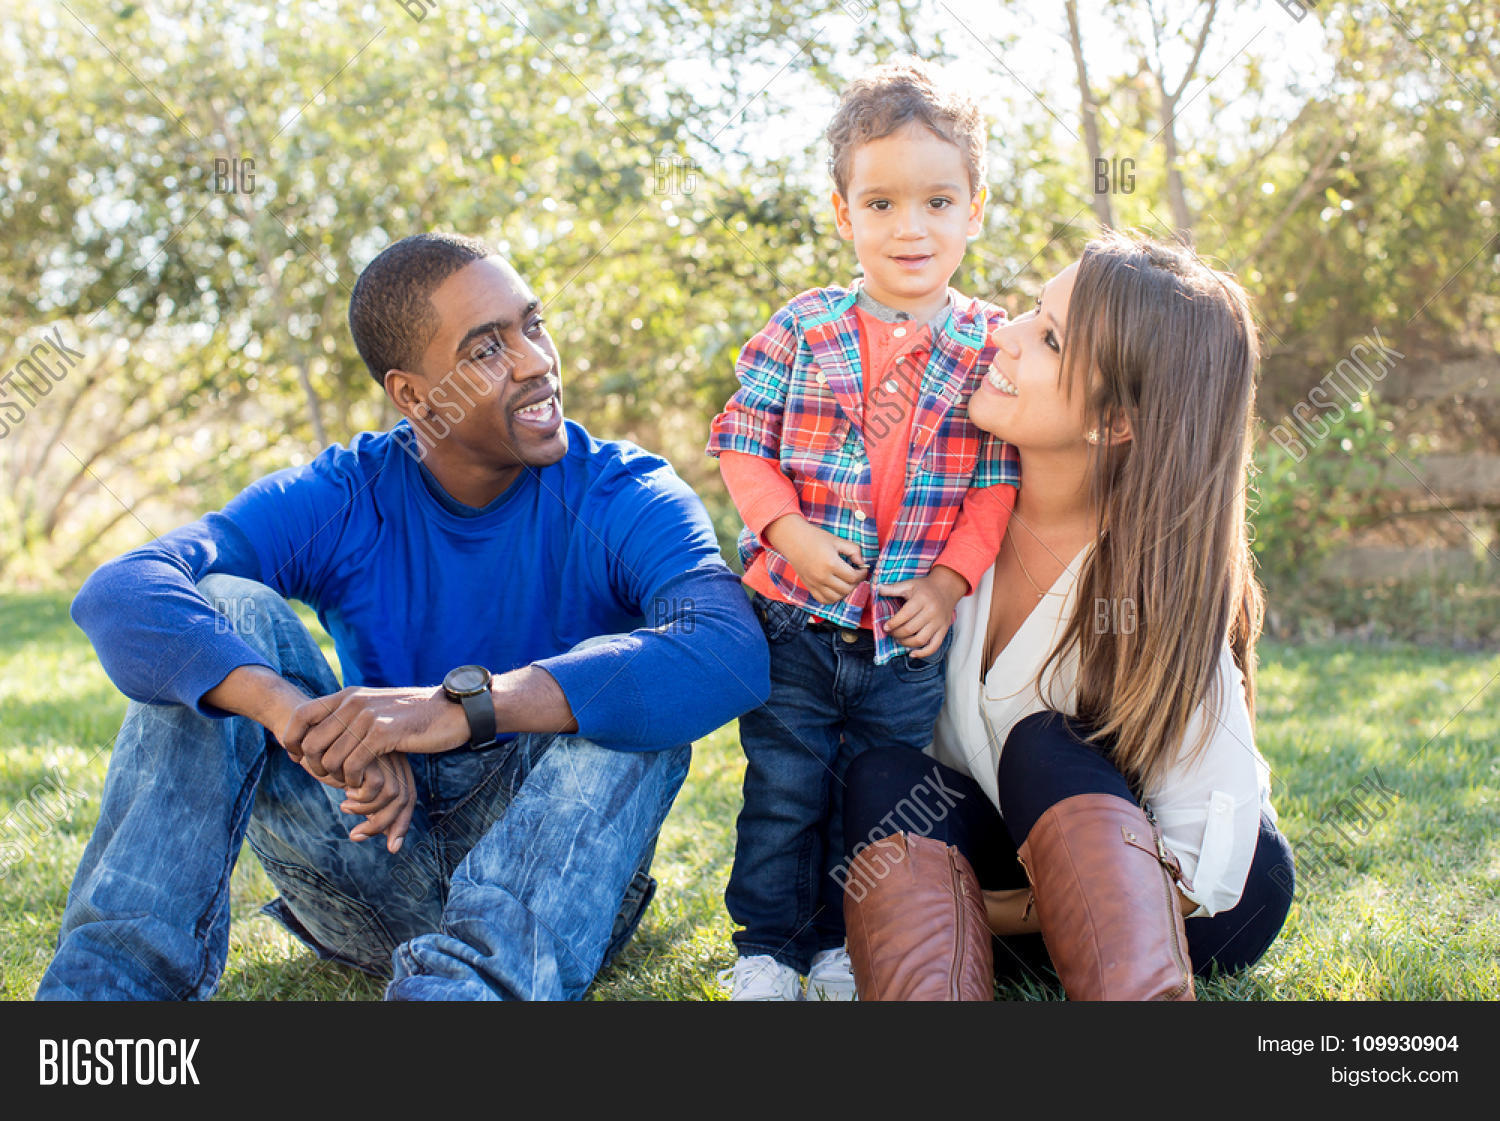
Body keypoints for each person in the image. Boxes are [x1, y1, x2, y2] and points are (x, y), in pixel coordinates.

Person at [36, 232, 770, 1002]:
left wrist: (461, 708)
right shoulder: (345, 493)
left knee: (629, 682)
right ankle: (103, 999)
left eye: (534, 325)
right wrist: (304, 722)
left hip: (554, 885)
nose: (535, 362)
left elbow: (727, 647)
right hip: (368, 857)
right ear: (414, 397)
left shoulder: (625, 492)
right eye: (487, 349)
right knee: (222, 605)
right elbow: (123, 589)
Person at [839, 231, 1295, 1000]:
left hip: (1185, 905)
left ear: (1113, 421)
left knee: (1044, 743)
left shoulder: (1152, 585)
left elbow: (1205, 867)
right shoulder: (944, 515)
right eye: (1031, 311)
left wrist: (988, 911)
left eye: (1048, 338)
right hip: (1015, 874)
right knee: (884, 775)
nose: (1003, 335)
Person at [706, 60, 1020, 1000]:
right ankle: (769, 946)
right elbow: (740, 442)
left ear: (974, 210)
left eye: (937, 201)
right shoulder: (803, 327)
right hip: (795, 619)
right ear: (844, 215)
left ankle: (848, 943)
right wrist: (788, 533)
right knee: (784, 789)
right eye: (881, 204)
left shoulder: (990, 345)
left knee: (874, 796)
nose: (909, 228)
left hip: (904, 641)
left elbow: (994, 486)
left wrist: (948, 584)